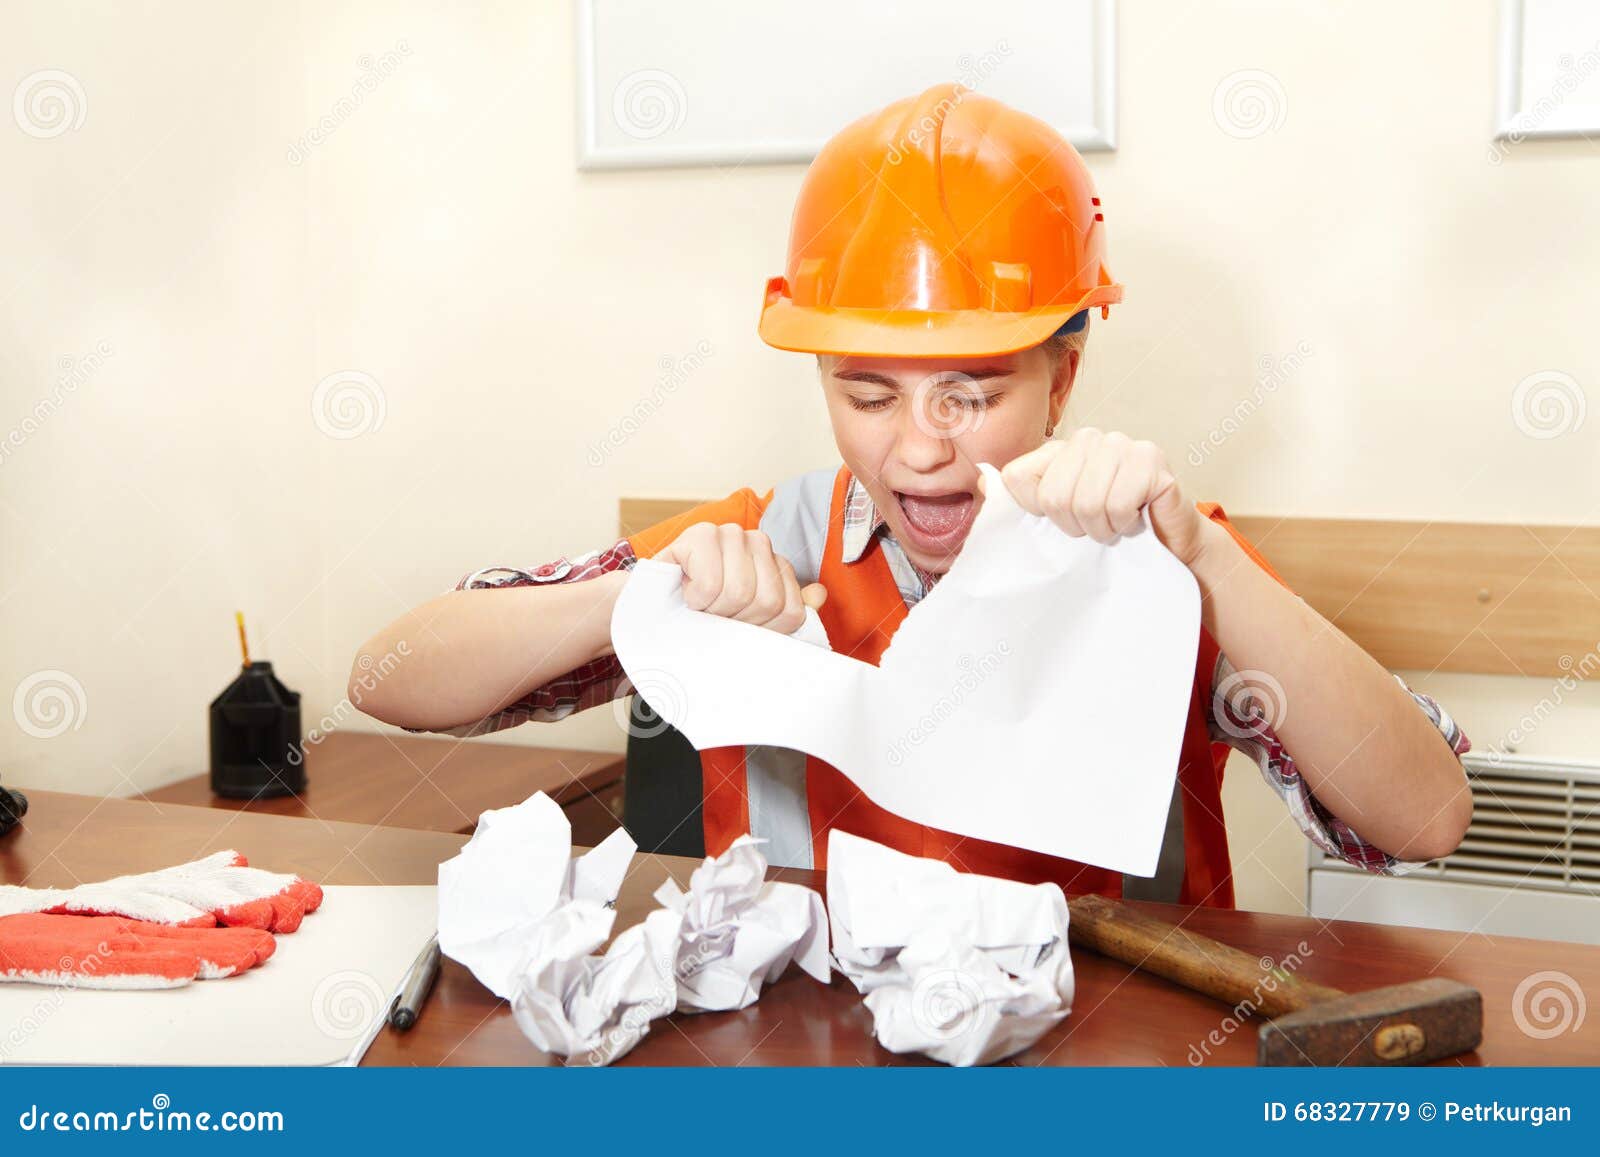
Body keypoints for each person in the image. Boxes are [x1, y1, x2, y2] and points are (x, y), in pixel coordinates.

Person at [352, 84, 1471, 907]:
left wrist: (1209, 566)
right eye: (869, 395)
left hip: (1111, 1050)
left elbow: (1423, 818)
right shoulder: (767, 544)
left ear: (1060, 376)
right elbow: (391, 681)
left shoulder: (1158, 562)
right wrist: (638, 598)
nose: (919, 451)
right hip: (811, 1054)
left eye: (970, 393)